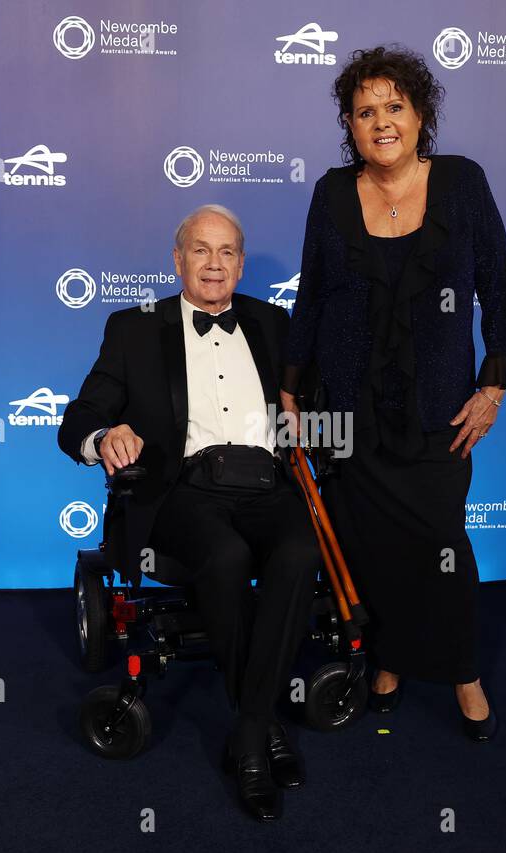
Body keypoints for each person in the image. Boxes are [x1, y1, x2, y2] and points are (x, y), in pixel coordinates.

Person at [280, 45, 506, 741]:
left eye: (395, 106)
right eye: (365, 111)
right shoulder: (333, 194)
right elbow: (311, 296)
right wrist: (292, 390)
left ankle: (462, 673)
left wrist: (494, 386)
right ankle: (387, 663)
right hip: (350, 409)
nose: (381, 122)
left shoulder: (461, 183)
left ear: (422, 115)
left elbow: (497, 286)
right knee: (370, 546)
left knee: (441, 543)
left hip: (439, 411)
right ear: (350, 126)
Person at [58, 205, 321, 821]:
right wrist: (104, 438)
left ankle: (249, 731)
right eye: (200, 251)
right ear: (176, 260)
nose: (214, 264)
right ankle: (261, 743)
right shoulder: (133, 328)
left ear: (241, 263)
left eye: (227, 252)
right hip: (181, 491)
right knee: (224, 558)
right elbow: (79, 416)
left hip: (266, 483)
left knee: (300, 554)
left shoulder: (273, 323)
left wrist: (314, 417)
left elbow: (315, 401)